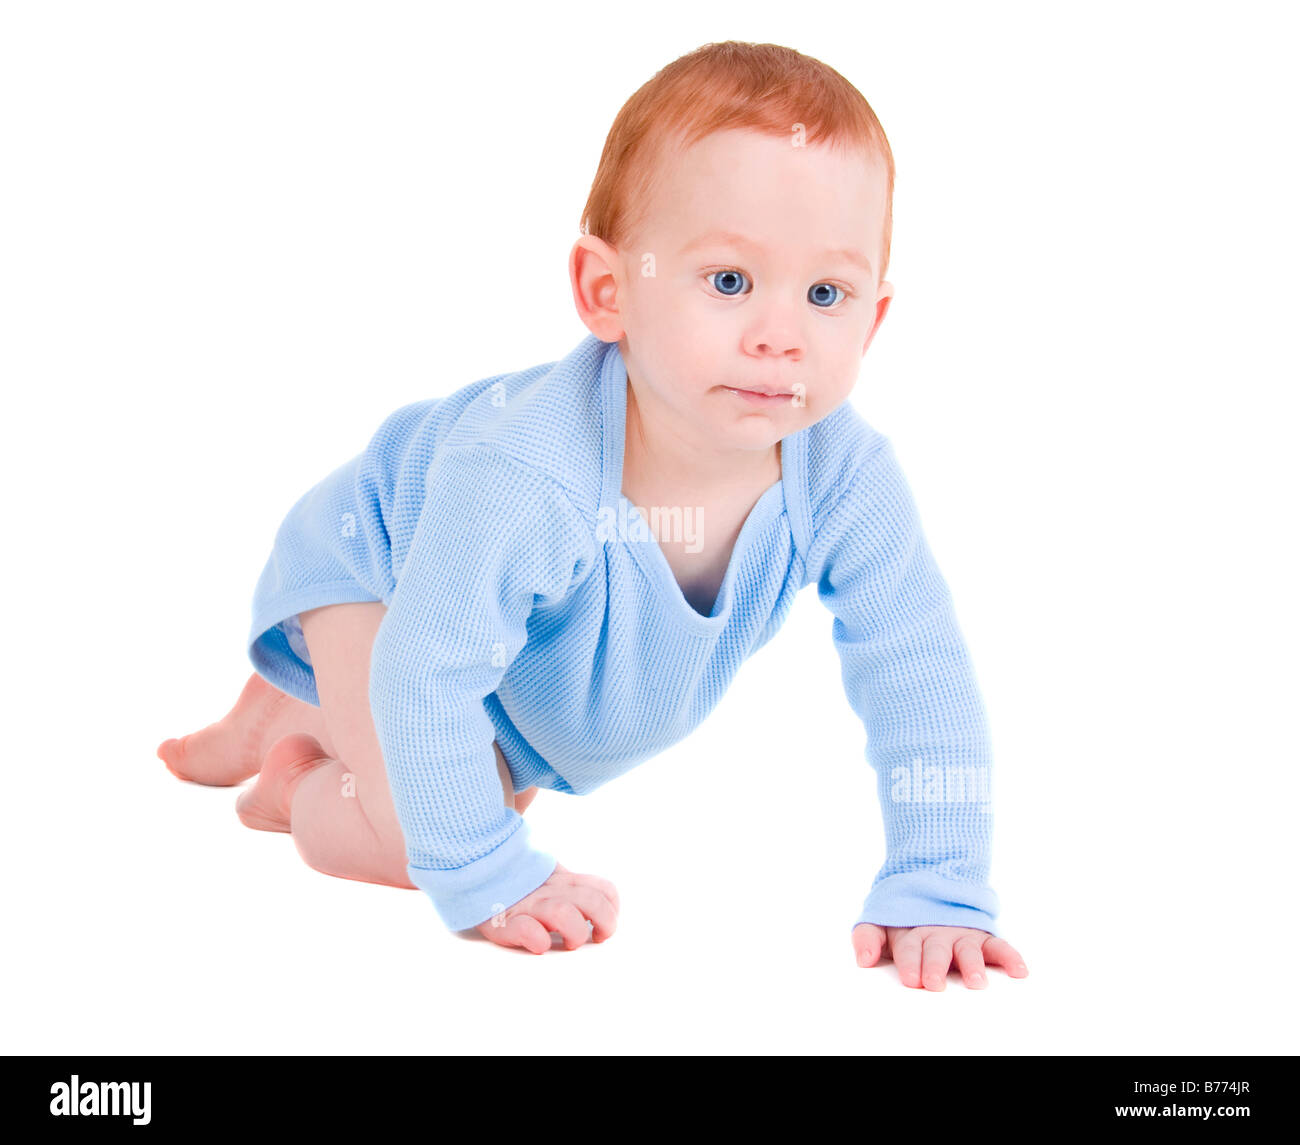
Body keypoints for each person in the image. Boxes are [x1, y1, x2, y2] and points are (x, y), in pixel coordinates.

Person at [158, 40, 1028, 990]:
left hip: (485, 648)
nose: (780, 334)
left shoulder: (847, 479)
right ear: (606, 291)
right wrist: (487, 873)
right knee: (434, 825)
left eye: (826, 293)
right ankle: (294, 782)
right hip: (381, 571)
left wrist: (940, 875)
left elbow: (919, 666)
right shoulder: (529, 474)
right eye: (730, 281)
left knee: (489, 784)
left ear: (872, 320)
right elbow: (429, 666)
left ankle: (286, 706)